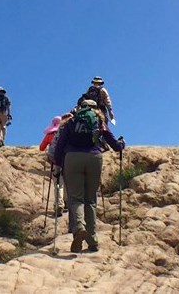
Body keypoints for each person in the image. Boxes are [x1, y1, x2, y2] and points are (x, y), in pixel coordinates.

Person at [53, 99, 125, 253]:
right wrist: (121, 145)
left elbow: (60, 145)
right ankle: (92, 242)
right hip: (94, 158)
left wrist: (58, 164)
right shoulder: (99, 122)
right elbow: (113, 143)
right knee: (90, 200)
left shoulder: (71, 122)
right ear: (95, 108)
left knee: (76, 198)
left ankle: (79, 227)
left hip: (72, 158)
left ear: (80, 108)